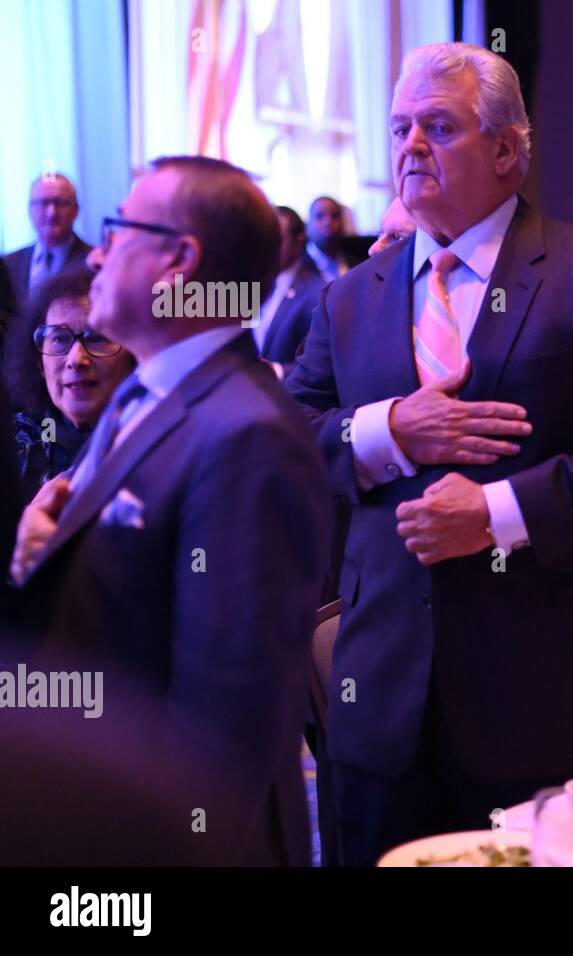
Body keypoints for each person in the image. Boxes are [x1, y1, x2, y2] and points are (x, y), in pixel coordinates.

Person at [285, 42, 573, 865]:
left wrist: (498, 513)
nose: (409, 146)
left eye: (438, 127)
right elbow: (288, 440)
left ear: (508, 148)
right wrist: (388, 430)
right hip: (382, 707)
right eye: (400, 126)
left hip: (552, 704)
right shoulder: (345, 298)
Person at [8, 155, 332, 865]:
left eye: (118, 229)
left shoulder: (248, 434)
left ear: (178, 262)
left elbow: (225, 725)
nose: (96, 251)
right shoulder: (145, 395)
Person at [4, 270, 135, 505]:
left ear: (133, 353)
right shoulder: (11, 444)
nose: (76, 359)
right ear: (39, 363)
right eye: (59, 339)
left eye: (96, 337)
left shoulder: (158, 440)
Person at [4, 173, 93, 313]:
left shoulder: (95, 263)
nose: (51, 212)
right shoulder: (8, 264)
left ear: (76, 210)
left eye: (60, 203)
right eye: (44, 203)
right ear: (30, 209)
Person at [255, 206, 326, 375]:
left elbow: (322, 367)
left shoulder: (317, 295)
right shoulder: (251, 281)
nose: (266, 247)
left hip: (284, 394)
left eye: (276, 240)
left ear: (299, 241)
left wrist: (276, 371)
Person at [305, 196, 364, 280]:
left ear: (343, 223)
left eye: (334, 216)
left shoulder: (357, 265)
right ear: (308, 225)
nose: (328, 221)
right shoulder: (297, 268)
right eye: (320, 216)